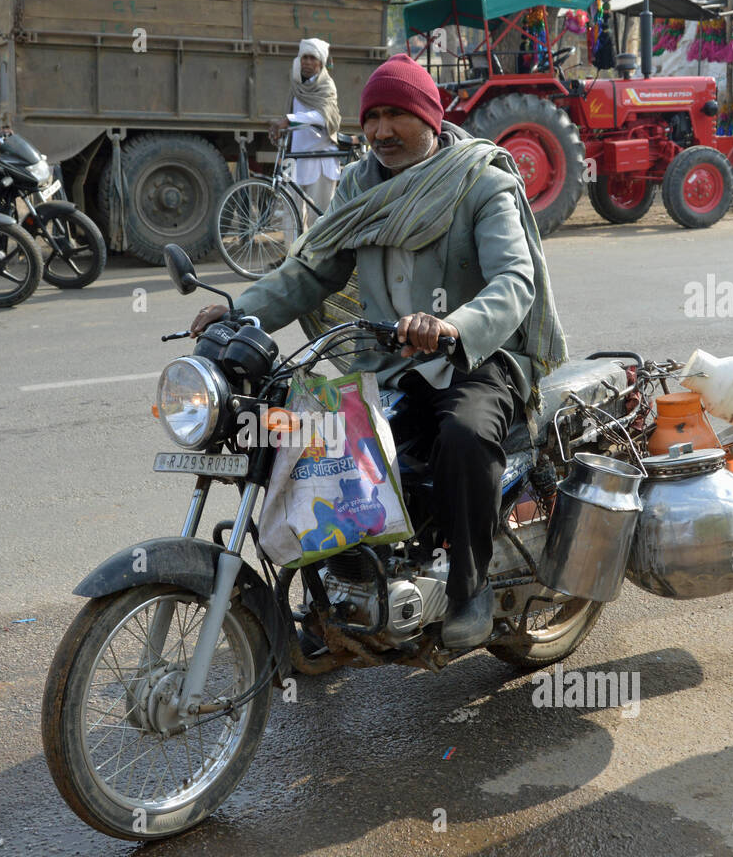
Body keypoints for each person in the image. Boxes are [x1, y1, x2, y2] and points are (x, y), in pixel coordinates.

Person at [191, 53, 567, 650]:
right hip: (388, 364)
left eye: (397, 115)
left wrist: (452, 326)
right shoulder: (358, 187)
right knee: (308, 439)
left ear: (430, 117)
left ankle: (471, 586)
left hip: (471, 360)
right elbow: (308, 273)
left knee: (463, 437)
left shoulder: (481, 180)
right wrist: (240, 314)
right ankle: (332, 596)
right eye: (372, 118)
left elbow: (513, 282)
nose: (381, 131)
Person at [269, 38, 341, 228]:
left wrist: (289, 120)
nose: (307, 62)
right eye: (304, 58)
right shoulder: (296, 87)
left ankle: (319, 257)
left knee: (321, 219)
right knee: (290, 216)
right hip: (296, 158)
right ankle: (293, 255)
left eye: (312, 58)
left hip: (320, 161)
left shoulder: (327, 86)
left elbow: (323, 116)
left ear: (320, 63)